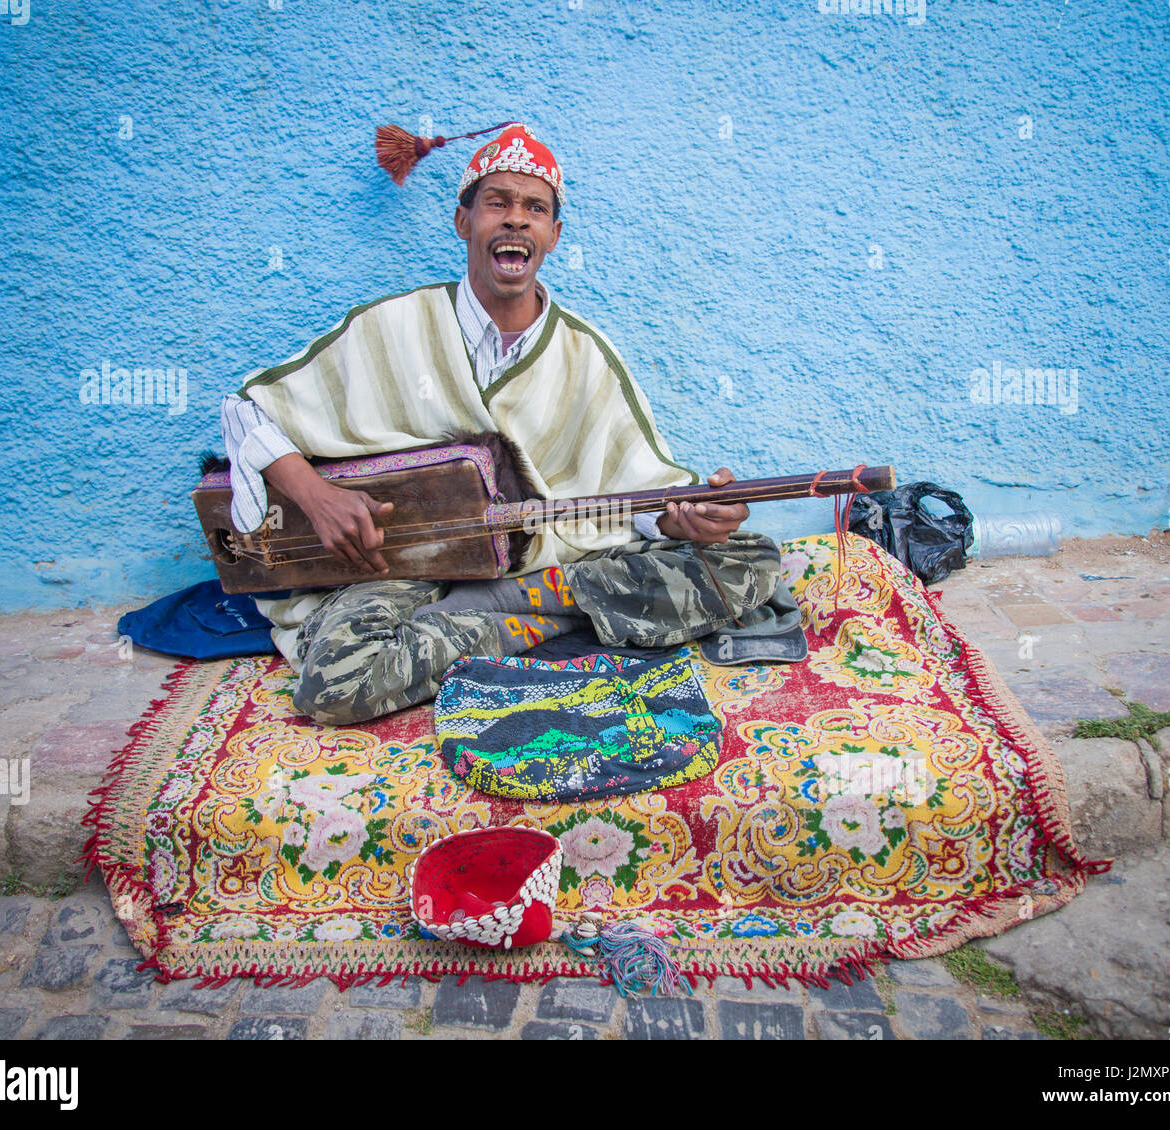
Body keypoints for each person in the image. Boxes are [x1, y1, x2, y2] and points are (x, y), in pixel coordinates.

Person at [221, 122, 780, 724]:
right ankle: (535, 621)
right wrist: (318, 495)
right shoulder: (392, 327)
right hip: (408, 568)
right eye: (498, 203)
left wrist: (685, 517)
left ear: (553, 235)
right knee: (336, 680)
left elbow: (631, 489)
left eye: (534, 208)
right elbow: (246, 410)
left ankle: (500, 610)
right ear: (465, 222)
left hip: (546, 564)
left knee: (750, 561)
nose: (517, 219)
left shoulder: (583, 352)